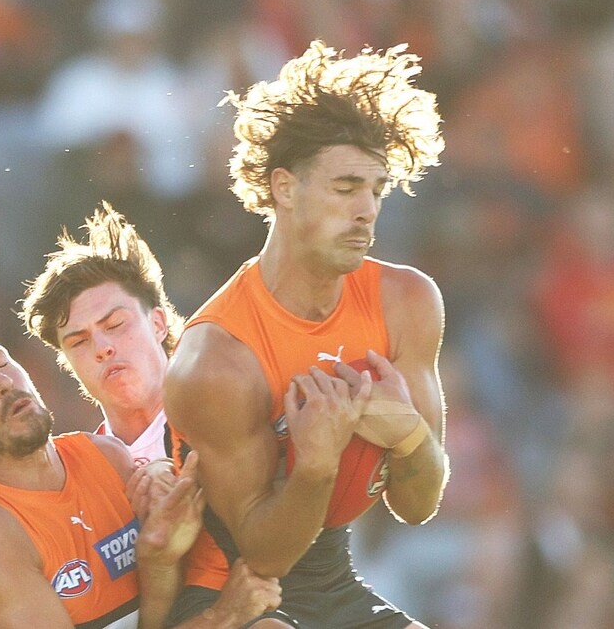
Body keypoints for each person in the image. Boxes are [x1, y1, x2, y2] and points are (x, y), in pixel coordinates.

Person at [162, 40, 450, 628]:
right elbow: (263, 557)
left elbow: (417, 507)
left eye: (377, 190)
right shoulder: (216, 359)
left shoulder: (409, 301)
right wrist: (314, 463)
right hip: (230, 589)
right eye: (346, 189)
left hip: (332, 578)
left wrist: (410, 437)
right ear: (284, 189)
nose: (367, 210)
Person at [0, 306, 268, 628]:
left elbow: (158, 618)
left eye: (1, 361)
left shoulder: (108, 458)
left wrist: (161, 558)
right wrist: (222, 618)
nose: (4, 383)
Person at [21, 203, 289, 628]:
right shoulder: (83, 481)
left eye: (115, 324)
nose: (102, 348)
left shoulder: (232, 402)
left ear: (160, 323)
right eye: (78, 341)